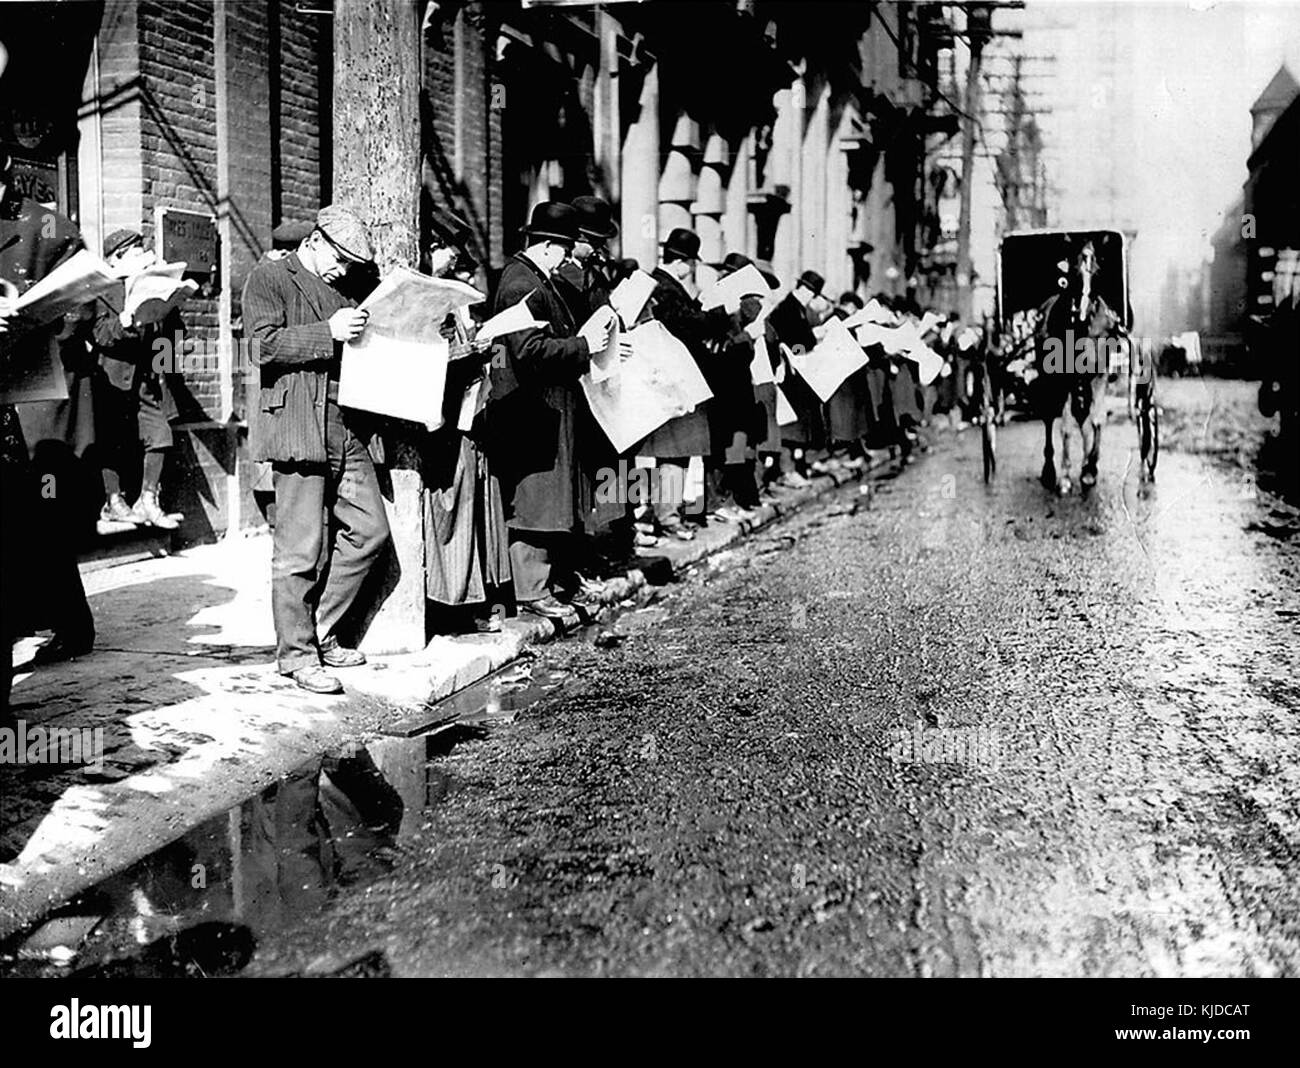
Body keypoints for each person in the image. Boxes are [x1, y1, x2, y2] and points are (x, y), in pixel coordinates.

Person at [241, 205, 390, 695]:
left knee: (370, 531)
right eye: (341, 259)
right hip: (297, 422)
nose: (344, 271)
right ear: (316, 241)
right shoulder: (270, 277)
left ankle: (319, 630)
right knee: (299, 550)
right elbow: (262, 347)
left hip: (344, 424)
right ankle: (297, 658)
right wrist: (328, 332)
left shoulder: (345, 285)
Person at [486, 201, 613, 618]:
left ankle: (550, 583)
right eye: (562, 247)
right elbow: (527, 350)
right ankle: (531, 591)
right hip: (530, 408)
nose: (566, 256)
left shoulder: (538, 277)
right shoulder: (521, 282)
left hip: (550, 406)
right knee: (536, 499)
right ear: (546, 245)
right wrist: (583, 346)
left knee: (555, 498)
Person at [0, 148, 97, 683]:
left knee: (40, 508)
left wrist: (27, 325)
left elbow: (81, 306)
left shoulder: (49, 228)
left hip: (35, 392)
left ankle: (70, 624)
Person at [419, 208, 510, 632]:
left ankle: (471, 599)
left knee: (470, 508)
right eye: (447, 252)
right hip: (440, 422)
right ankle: (448, 605)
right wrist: (472, 352)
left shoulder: (450, 294)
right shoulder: (424, 295)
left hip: (468, 415)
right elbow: (427, 358)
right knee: (449, 511)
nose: (454, 262)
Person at [90, 229, 183, 529]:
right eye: (136, 253)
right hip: (112, 376)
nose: (144, 258)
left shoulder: (152, 284)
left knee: (160, 435)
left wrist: (169, 311)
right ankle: (113, 501)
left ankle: (147, 500)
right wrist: (124, 321)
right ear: (118, 258)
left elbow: (170, 337)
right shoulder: (102, 289)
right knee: (112, 440)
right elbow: (100, 335)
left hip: (148, 377)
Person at [636, 227, 712, 539]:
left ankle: (666, 512)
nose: (692, 270)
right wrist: (718, 313)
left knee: (677, 451)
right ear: (683, 262)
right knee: (675, 450)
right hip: (672, 380)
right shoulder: (665, 289)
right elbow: (686, 326)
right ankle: (668, 516)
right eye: (692, 263)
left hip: (673, 379)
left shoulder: (661, 285)